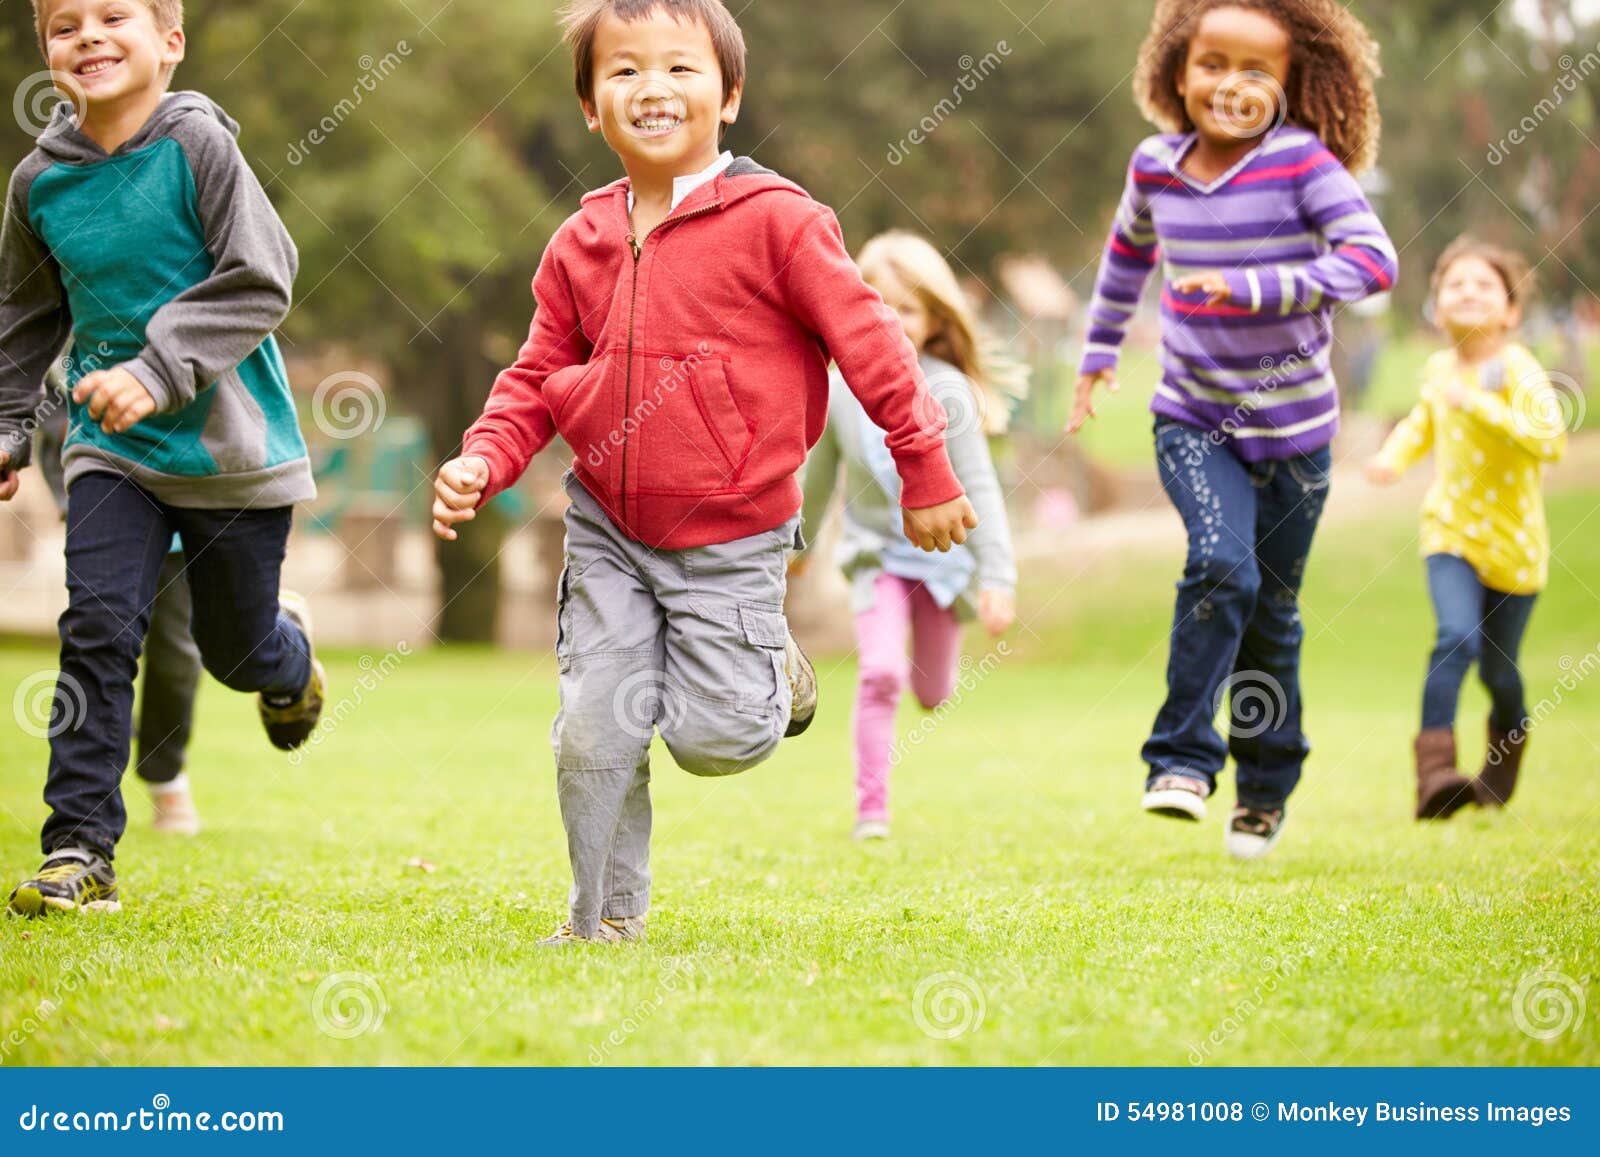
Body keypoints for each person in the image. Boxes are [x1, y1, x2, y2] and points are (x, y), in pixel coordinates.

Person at [432, 0, 975, 944]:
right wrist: (486, 452)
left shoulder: (781, 223)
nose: (652, 87)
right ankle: (601, 916)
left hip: (734, 533)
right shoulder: (580, 242)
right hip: (606, 525)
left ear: (729, 97)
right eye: (624, 70)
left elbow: (873, 346)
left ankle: (776, 677)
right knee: (592, 728)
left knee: (715, 739)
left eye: (680, 68)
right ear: (593, 108)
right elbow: (532, 370)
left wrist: (923, 465)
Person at [0, 0, 324, 916]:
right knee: (98, 626)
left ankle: (286, 659)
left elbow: (264, 273)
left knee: (234, 650)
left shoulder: (198, 148)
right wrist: (8, 424)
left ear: (169, 43)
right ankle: (78, 847)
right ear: (47, 52)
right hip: (113, 452)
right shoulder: (37, 184)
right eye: (66, 26)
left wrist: (159, 363)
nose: (90, 37)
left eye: (115, 17)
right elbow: (25, 321)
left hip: (231, 451)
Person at [1069, 0, 1396, 859]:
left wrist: (1256, 287)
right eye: (1212, 62)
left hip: (1297, 437)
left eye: (1257, 70)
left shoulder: (1302, 164)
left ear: (1291, 85)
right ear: (1177, 70)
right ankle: (1178, 760)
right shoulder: (1155, 166)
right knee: (1220, 567)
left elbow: (1372, 259)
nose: (1230, 84)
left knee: (1272, 619)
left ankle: (1264, 787)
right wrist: (1097, 353)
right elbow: (1127, 256)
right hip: (1194, 418)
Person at [796, 231, 1021, 841]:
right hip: (878, 560)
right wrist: (798, 551)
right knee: (880, 675)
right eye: (878, 302)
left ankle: (936, 672)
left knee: (932, 691)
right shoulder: (840, 391)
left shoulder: (948, 389)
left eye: (910, 307)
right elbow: (816, 482)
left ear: (934, 319)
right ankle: (872, 810)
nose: (892, 319)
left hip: (946, 565)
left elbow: (980, 486)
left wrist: (998, 579)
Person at [1366, 238, 1566, 819]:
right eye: (1455, 284)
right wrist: (1393, 457)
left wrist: (1476, 401)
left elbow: (1548, 439)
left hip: (1517, 551)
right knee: (1455, 637)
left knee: (1501, 672)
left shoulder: (1516, 369)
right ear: (1436, 305)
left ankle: (1504, 753)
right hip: (1450, 536)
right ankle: (1434, 774)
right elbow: (1423, 422)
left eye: (1484, 285)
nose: (1468, 292)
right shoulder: (1436, 370)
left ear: (1511, 311)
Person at [36, 381, 204, 836]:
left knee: (176, 654)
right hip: (103, 505)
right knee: (97, 637)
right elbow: (53, 417)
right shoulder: (73, 342)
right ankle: (83, 818)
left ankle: (165, 773)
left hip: (183, 508)